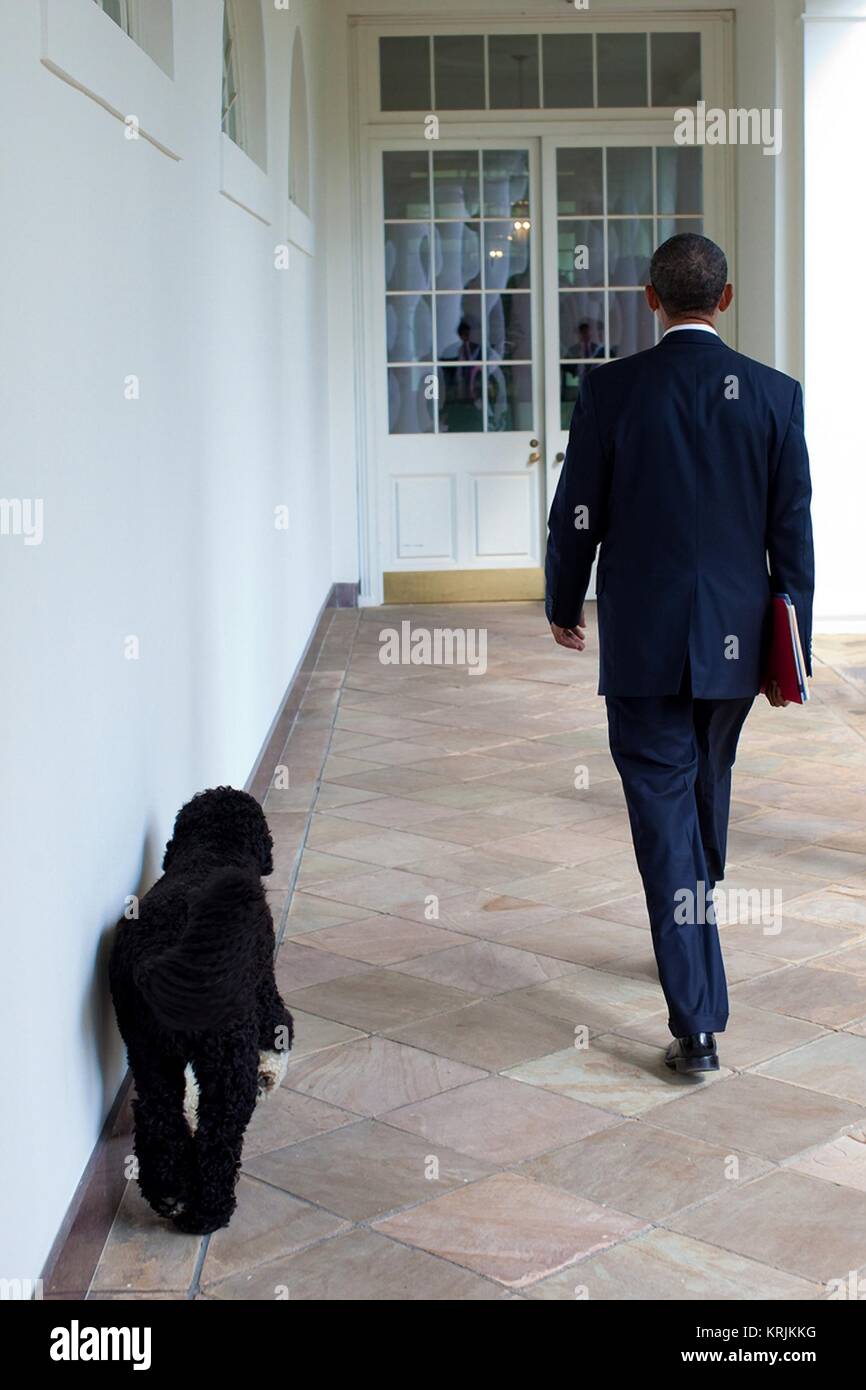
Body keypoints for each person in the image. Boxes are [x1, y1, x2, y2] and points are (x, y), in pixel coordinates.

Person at [544, 233, 814, 1075]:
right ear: (724, 301)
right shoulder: (775, 396)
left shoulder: (613, 390)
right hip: (733, 649)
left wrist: (563, 599)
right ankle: (688, 923)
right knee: (702, 785)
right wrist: (791, 645)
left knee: (668, 821)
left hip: (646, 645)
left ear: (648, 300)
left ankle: (697, 1024)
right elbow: (792, 534)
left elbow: (575, 511)